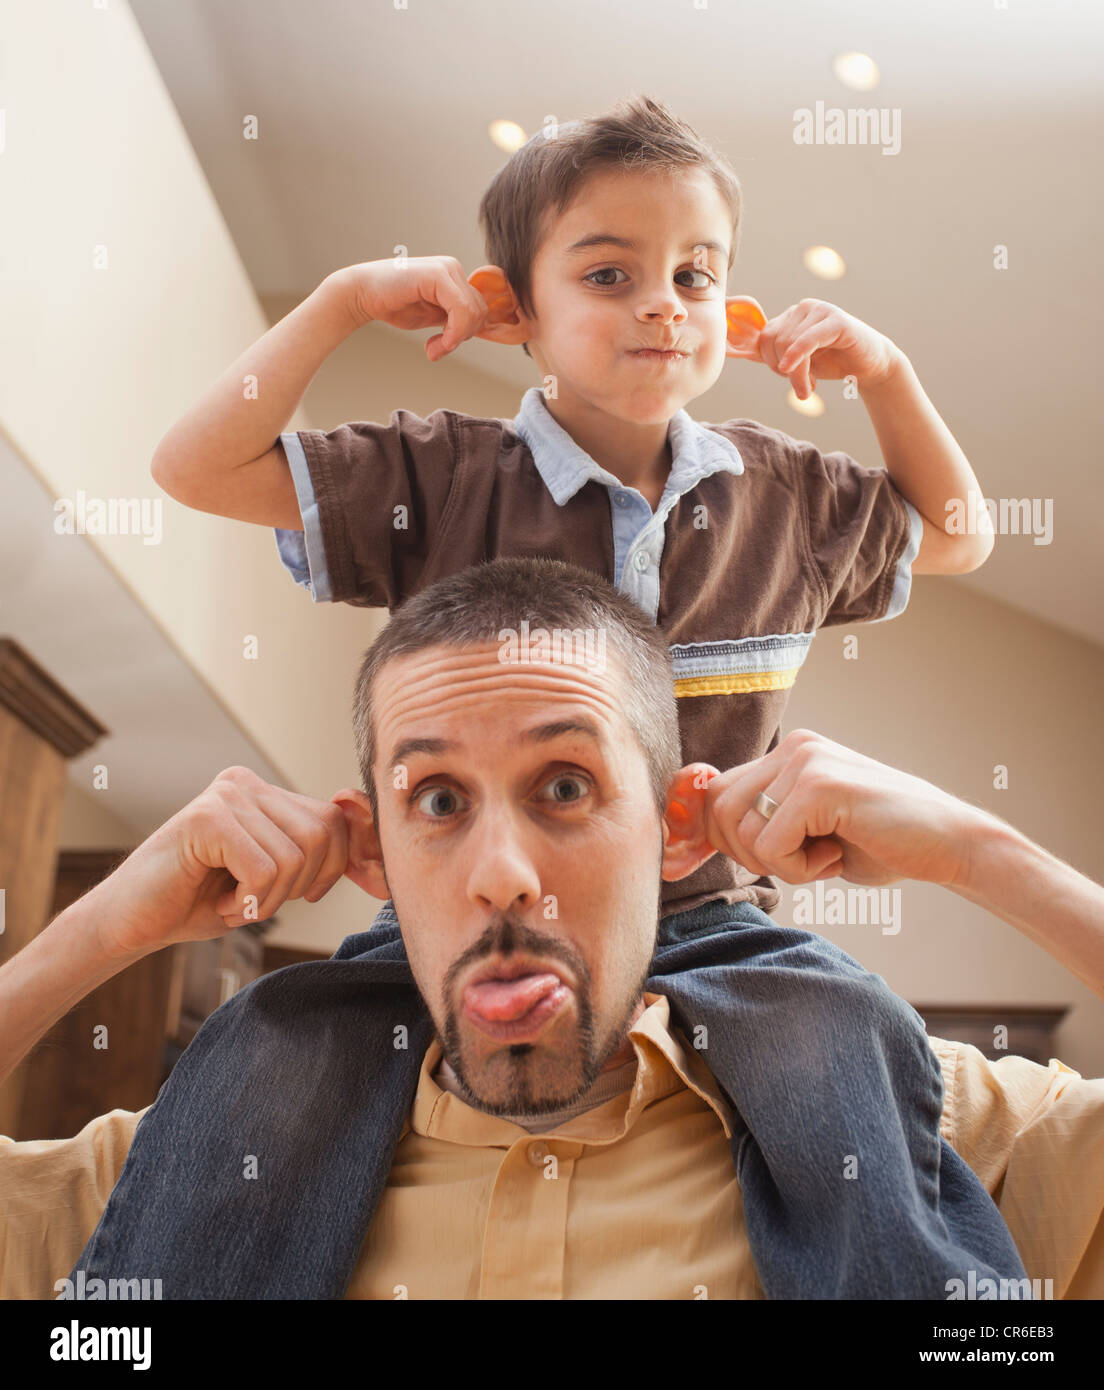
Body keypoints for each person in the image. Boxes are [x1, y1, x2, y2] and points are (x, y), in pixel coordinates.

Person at [145, 95, 1011, 1295]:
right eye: (611, 274)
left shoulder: (787, 496)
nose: (665, 302)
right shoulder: (440, 476)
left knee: (846, 1035)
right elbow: (193, 468)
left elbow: (960, 536)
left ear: (732, 308)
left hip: (711, 914)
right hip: (459, 914)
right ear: (516, 312)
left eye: (696, 275)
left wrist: (891, 373)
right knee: (270, 1040)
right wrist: (345, 300)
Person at [2, 559, 1100, 1301]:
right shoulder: (206, 1149)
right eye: (436, 799)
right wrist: (102, 925)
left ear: (676, 830)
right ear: (375, 851)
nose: (502, 878)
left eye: (565, 785)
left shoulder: (909, 1124)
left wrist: (977, 852)